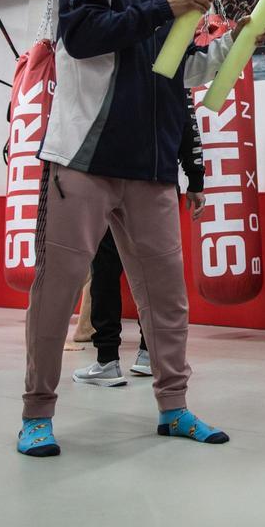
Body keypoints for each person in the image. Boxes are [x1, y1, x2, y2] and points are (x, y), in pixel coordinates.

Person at [19, 0, 248, 457]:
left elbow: (177, 70)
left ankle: (174, 408)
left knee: (167, 299)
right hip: (84, 159)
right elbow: (79, 35)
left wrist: (228, 44)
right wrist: (164, 9)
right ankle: (37, 413)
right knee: (58, 289)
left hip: (150, 169)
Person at [73, 90, 206, 387]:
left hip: (114, 178)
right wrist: (195, 178)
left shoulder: (110, 61)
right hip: (153, 179)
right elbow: (187, 122)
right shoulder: (168, 62)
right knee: (151, 273)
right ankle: (147, 355)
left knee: (108, 270)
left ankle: (109, 360)